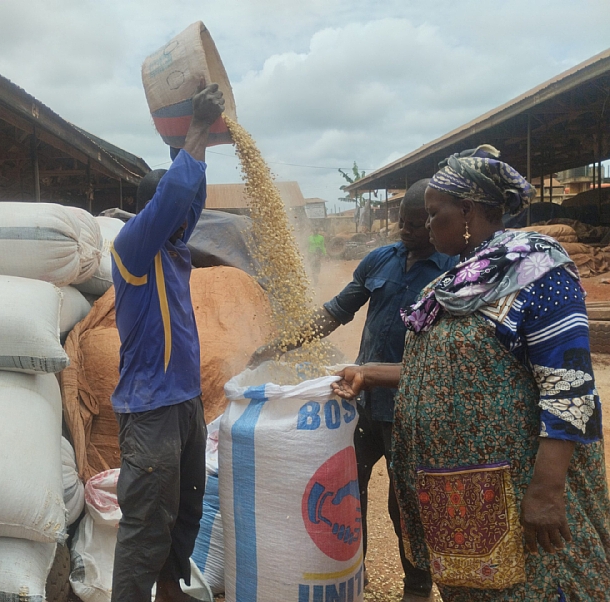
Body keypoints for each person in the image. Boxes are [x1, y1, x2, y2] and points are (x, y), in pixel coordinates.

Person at [333, 145, 610, 601]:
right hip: (458, 489)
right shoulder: (459, 279)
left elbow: (568, 387)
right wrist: (368, 373)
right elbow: (448, 369)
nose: (425, 225)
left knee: (531, 586)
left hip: (517, 485)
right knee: (472, 587)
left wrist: (546, 490)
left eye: (433, 214)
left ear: (467, 210)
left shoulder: (536, 268)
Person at [251, 179, 457, 601]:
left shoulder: (452, 271)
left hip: (410, 408)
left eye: (418, 224)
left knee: (406, 507)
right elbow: (335, 312)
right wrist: (282, 342)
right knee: (346, 494)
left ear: (434, 224)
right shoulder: (380, 260)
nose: (407, 230)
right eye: (403, 222)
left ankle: (416, 587)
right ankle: (351, 574)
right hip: (360, 403)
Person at [109, 82, 224, 602]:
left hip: (184, 405)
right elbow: (177, 194)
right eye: (173, 210)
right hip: (151, 409)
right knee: (146, 527)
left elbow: (188, 195)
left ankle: (173, 593)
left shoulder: (176, 247)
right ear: (150, 210)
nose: (185, 218)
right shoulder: (133, 248)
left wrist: (193, 141)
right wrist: (196, 128)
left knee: (184, 514)